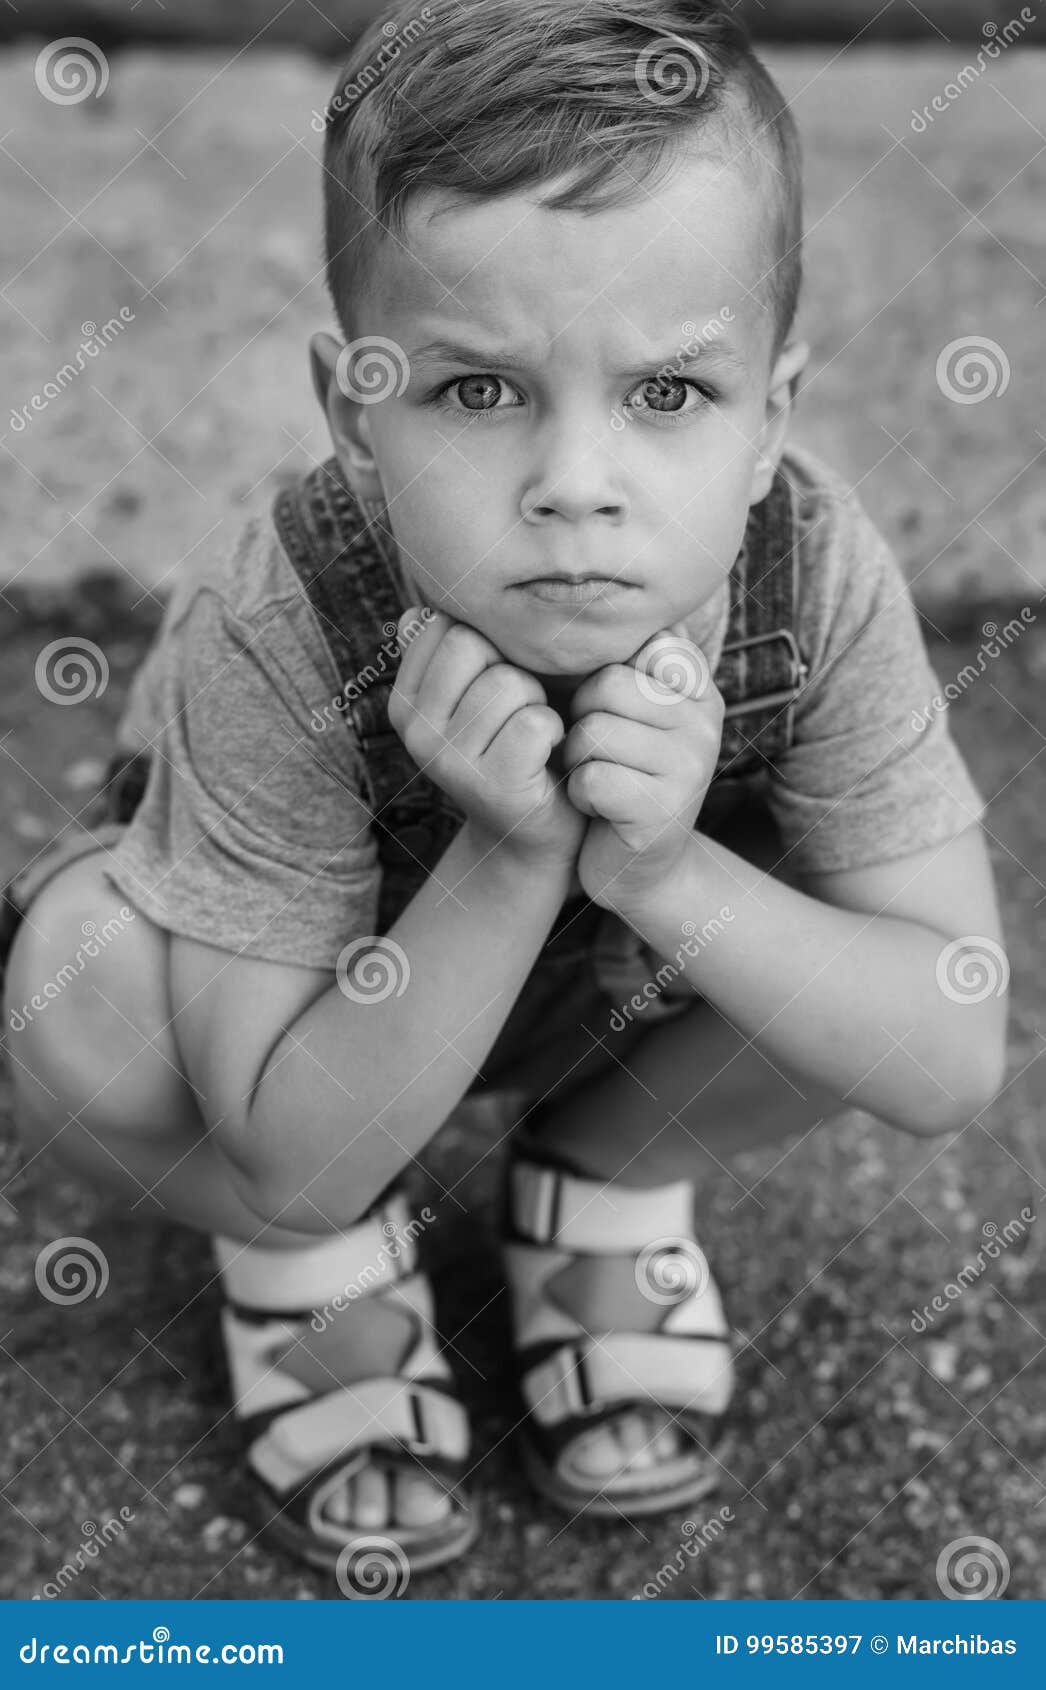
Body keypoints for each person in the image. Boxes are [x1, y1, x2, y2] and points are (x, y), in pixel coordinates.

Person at [2, 0, 1007, 1582]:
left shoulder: (811, 579)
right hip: (308, 1026)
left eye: (668, 394)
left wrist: (670, 875)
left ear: (770, 420)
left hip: (627, 990)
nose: (576, 483)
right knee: (77, 987)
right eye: (478, 393)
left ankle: (601, 1181)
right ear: (354, 410)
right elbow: (292, 1147)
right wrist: (509, 844)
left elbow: (949, 1045)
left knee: (846, 934)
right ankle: (317, 1280)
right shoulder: (281, 621)